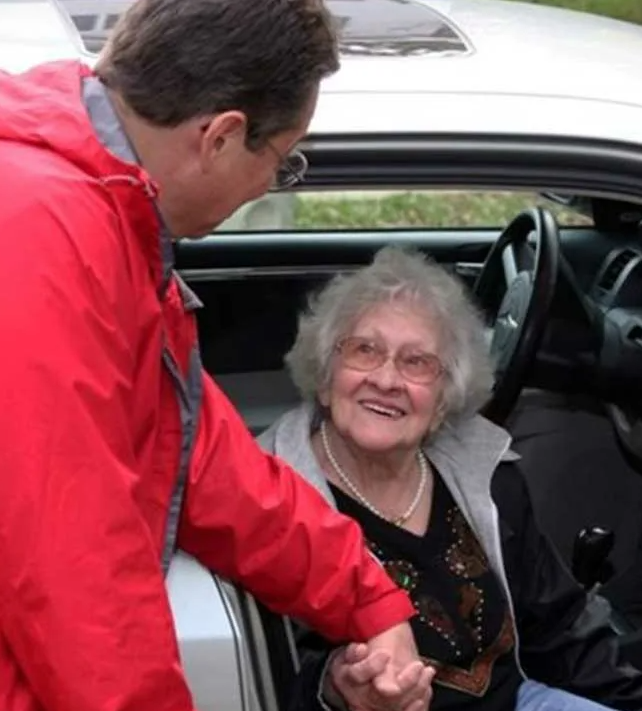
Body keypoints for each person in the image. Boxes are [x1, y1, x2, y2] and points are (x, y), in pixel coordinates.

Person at [0, 2, 434, 710]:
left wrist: (370, 601)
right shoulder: (44, 234)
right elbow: (76, 578)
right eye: (282, 158)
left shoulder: (105, 207)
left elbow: (195, 455)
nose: (269, 184)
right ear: (223, 135)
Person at [259, 246, 642, 711]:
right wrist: (336, 690)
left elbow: (559, 628)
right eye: (365, 350)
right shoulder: (271, 495)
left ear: (441, 403)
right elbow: (264, 677)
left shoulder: (487, 476)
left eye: (416, 362)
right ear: (325, 375)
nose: (387, 378)